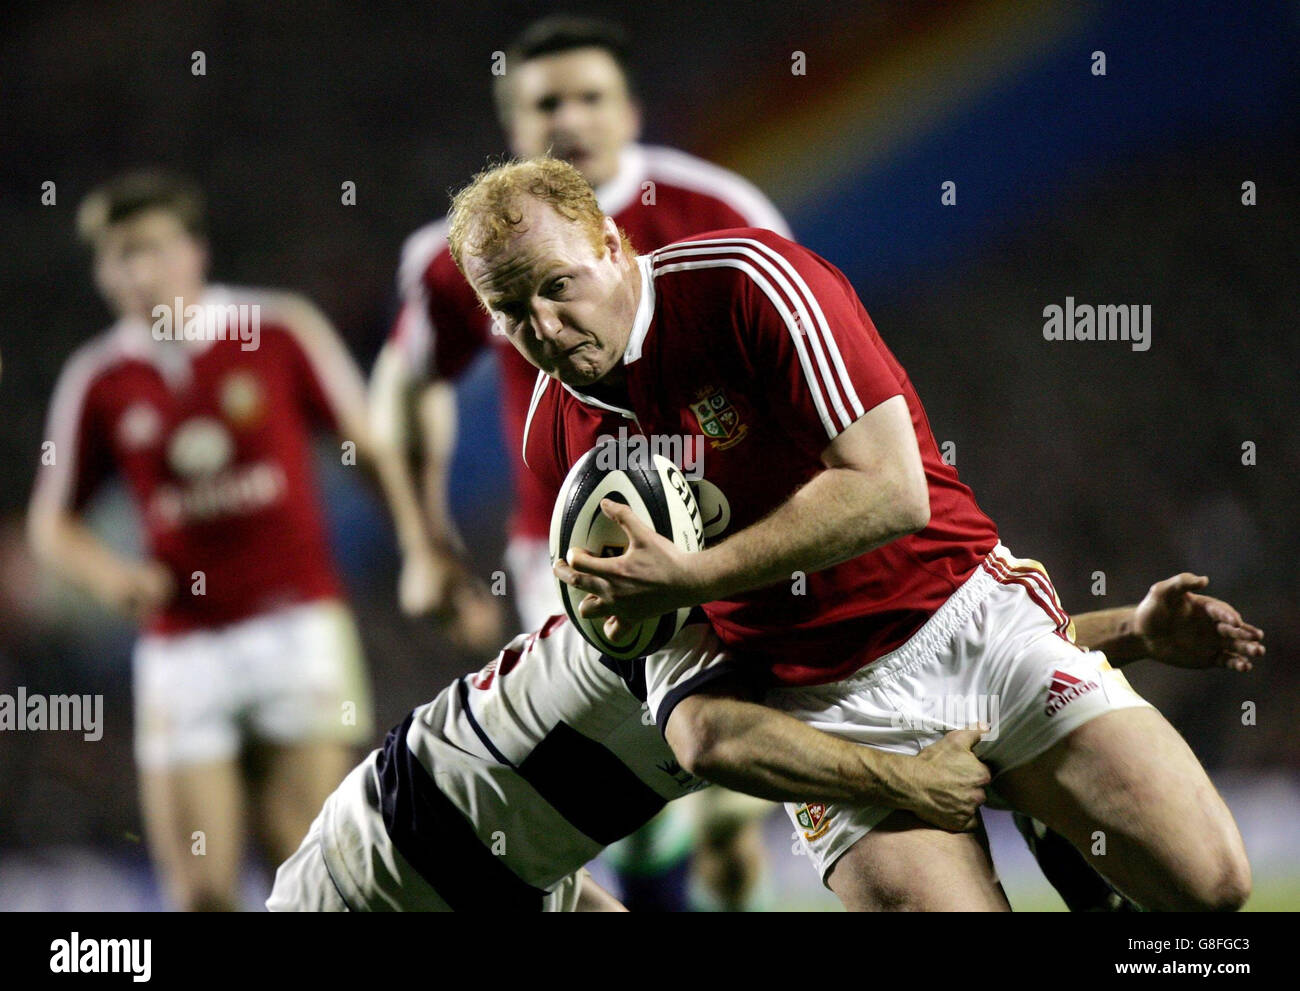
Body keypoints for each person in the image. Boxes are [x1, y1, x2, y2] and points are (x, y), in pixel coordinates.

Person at [446, 156, 1260, 910]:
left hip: (969, 623)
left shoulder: (746, 284)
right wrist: (897, 779)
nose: (544, 328)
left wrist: (696, 577)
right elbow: (697, 718)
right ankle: (1032, 785)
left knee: (1210, 890)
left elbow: (891, 492)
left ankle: (1040, 798)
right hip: (823, 710)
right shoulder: (559, 447)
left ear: (614, 248)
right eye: (510, 311)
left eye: (558, 286)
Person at [369, 15, 790, 910]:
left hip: (732, 540)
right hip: (576, 561)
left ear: (630, 108)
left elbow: (808, 361)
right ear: (512, 126)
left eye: (590, 96)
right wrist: (423, 539)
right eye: (544, 102)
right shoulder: (467, 251)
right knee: (634, 803)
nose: (570, 117)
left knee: (727, 804)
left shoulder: (721, 209)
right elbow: (403, 393)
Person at [27, 170, 447, 910]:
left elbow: (370, 449)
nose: (138, 271)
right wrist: (111, 577)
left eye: (152, 248)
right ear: (102, 273)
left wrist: (423, 550)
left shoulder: (278, 328)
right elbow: (50, 522)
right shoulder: (99, 379)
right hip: (183, 646)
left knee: (306, 868)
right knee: (202, 894)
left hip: (298, 627)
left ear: (195, 251)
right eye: (119, 256)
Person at [267, 613, 992, 911]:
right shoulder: (693, 621)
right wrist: (911, 780)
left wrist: (1071, 664)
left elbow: (946, 664)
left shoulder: (777, 620)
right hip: (385, 867)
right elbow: (710, 738)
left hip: (505, 867)